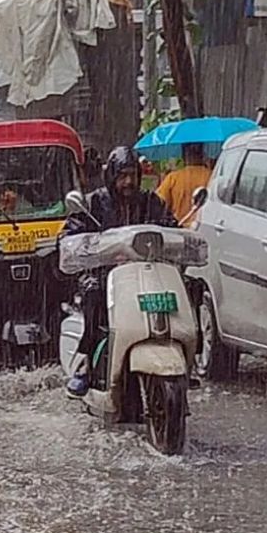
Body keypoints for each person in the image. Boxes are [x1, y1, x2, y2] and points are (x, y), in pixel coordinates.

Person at [61, 146, 178, 397]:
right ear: (111, 175)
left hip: (147, 274)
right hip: (106, 275)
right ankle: (87, 363)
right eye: (122, 175)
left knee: (189, 288)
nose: (128, 182)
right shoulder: (93, 203)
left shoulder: (151, 202)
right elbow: (70, 235)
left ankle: (186, 356)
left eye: (132, 175)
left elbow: (172, 229)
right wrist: (90, 246)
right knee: (93, 293)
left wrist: (177, 241)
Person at [155, 143, 212, 227]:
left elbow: (159, 204)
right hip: (205, 228)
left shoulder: (173, 178)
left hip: (179, 229)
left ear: (183, 155)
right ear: (202, 154)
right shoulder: (213, 176)